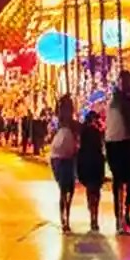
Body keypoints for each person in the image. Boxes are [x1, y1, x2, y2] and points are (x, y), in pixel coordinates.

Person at [105, 70, 130, 234]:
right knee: (118, 181)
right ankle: (119, 218)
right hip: (114, 144)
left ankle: (126, 213)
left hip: (128, 143)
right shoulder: (112, 102)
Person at [49, 95, 80, 234]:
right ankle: (65, 219)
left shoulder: (67, 123)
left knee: (67, 189)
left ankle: (65, 217)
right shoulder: (62, 122)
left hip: (65, 157)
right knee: (66, 190)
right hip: (61, 157)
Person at [77, 110, 107, 232]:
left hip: (88, 162)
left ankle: (92, 214)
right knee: (96, 190)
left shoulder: (84, 131)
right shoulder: (95, 132)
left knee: (91, 190)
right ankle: (94, 215)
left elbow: (80, 148)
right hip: (95, 162)